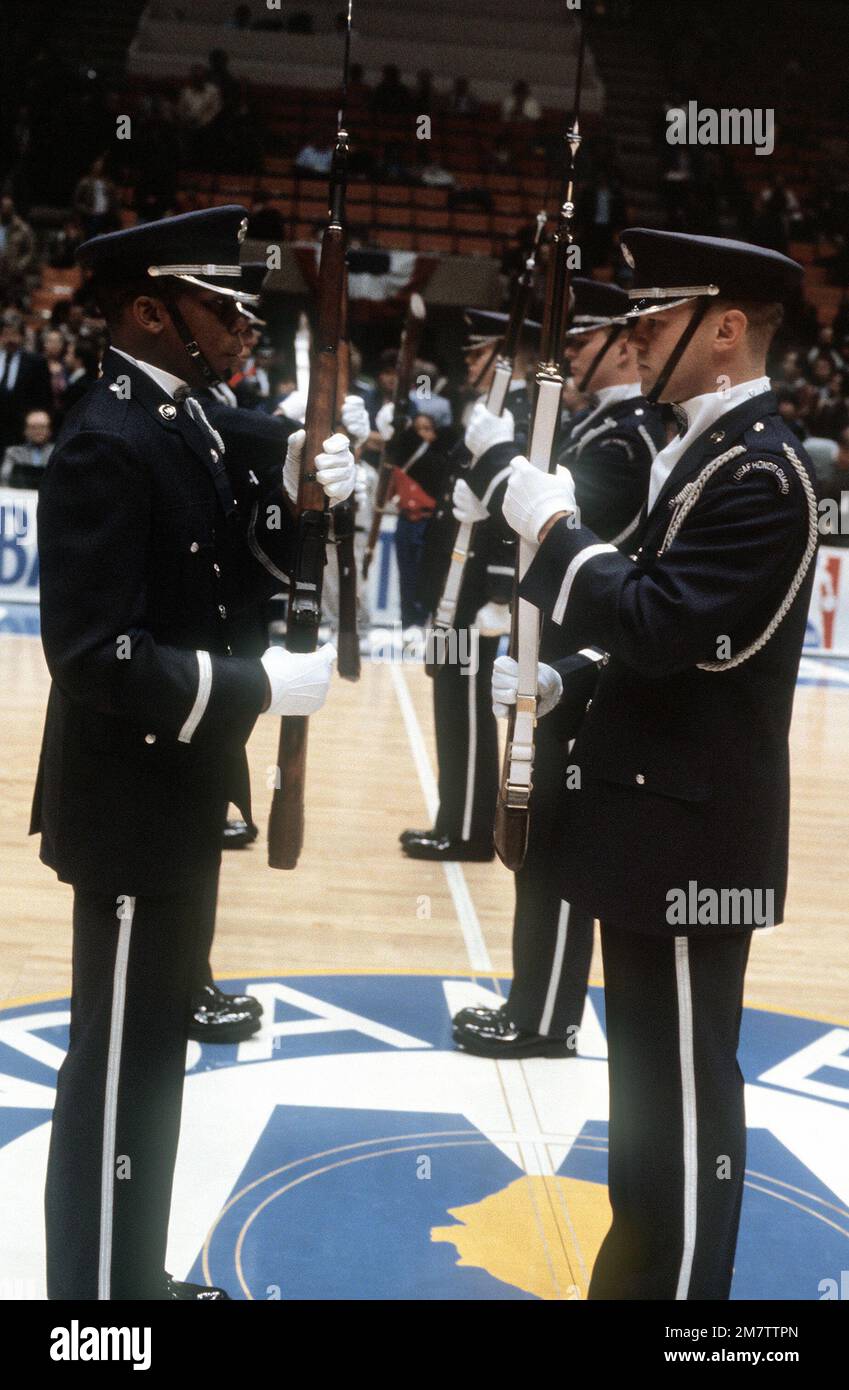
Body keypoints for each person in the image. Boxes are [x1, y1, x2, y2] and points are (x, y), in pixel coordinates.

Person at [31, 205, 355, 1301]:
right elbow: (93, 656)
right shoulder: (104, 437)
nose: (242, 325)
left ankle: (133, 1280)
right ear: (151, 312)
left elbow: (244, 504)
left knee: (154, 1060)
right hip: (126, 807)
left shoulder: (184, 416)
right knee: (116, 1071)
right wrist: (255, 687)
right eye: (222, 306)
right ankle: (94, 1309)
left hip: (171, 800)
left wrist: (320, 467)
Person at [498, 229, 818, 1298]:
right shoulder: (703, 451)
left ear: (725, 328)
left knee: (681, 1122)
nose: (633, 333)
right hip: (648, 831)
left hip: (694, 839)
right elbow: (655, 657)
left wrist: (555, 535)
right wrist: (567, 684)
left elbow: (661, 624)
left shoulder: (764, 473)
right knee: (643, 1124)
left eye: (656, 314)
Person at [451, 280, 666, 1057]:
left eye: (582, 343)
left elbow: (560, 524)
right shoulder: (602, 429)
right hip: (556, 661)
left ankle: (544, 1017)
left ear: (616, 345)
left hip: (582, 667)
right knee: (536, 839)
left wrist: (497, 454)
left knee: (556, 849)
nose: (571, 356)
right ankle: (534, 1005)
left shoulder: (626, 439)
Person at [394, 309, 537, 861]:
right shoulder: (490, 412)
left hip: (478, 595)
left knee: (471, 711)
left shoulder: (523, 417)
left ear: (503, 357)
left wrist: (502, 591)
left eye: (479, 355)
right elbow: (457, 488)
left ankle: (474, 832)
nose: (470, 364)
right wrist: (405, 441)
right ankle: (452, 819)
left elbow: (512, 511)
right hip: (453, 593)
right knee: (451, 703)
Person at [0, 310, 52, 454]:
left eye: (14, 334)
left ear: (22, 336)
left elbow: (44, 399)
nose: (10, 339)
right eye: (6, 334)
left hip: (23, 429)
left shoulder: (36, 362)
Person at [0, 407, 53, 488]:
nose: (38, 431)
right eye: (33, 427)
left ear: (49, 430)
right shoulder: (13, 452)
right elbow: (5, 478)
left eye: (42, 427)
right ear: (25, 430)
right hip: (19, 495)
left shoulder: (57, 452)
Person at [0, 196, 35, 301]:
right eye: (4, 207)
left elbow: (30, 251)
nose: (6, 210)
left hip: (13, 276)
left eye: (8, 208)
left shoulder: (22, 228)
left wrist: (20, 265)